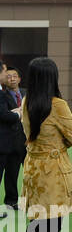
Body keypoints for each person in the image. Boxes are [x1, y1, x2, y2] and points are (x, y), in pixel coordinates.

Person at [16, 58, 72, 232]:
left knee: (36, 221)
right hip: (53, 170)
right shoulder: (58, 105)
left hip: (32, 168)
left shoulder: (26, 102)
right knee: (53, 223)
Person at [0, 68, 25, 211]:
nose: (12, 79)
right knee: (11, 172)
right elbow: (5, 116)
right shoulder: (3, 96)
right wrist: (17, 114)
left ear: (19, 79)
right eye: (8, 76)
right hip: (12, 140)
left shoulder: (27, 94)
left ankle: (32, 200)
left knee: (31, 172)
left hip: (28, 139)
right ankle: (11, 201)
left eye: (15, 76)